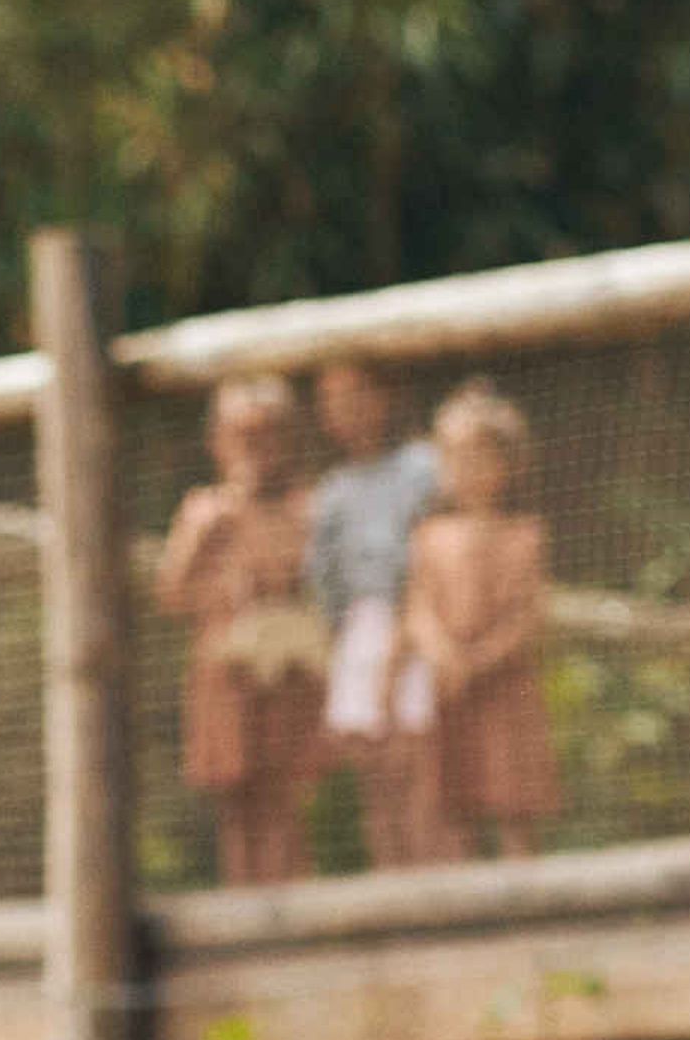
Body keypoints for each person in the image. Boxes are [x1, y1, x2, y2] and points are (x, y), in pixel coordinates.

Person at [156, 376, 323, 885]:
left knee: (284, 798)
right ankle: (244, 902)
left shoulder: (305, 507)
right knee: (234, 799)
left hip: (286, 675)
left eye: (268, 434)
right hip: (225, 679)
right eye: (241, 436)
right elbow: (171, 595)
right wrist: (202, 535)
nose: (255, 448)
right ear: (217, 442)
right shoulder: (203, 511)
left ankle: (293, 900)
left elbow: (318, 588)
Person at [402, 381, 565, 858]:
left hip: (504, 689)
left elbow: (527, 615)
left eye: (478, 458)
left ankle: (525, 888)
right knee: (454, 809)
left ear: (508, 464)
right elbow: (418, 609)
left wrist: (479, 661)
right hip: (449, 693)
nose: (465, 470)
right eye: (453, 458)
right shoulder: (429, 536)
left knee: (514, 802)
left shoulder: (525, 535)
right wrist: (442, 653)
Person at [306, 359, 449, 869]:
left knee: (418, 765)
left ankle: (435, 886)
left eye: (357, 396)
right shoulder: (333, 489)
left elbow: (432, 552)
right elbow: (324, 579)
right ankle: (392, 888)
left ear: (387, 395)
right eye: (333, 401)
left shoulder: (424, 468)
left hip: (416, 622)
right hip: (357, 634)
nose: (346, 411)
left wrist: (405, 635)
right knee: (374, 771)